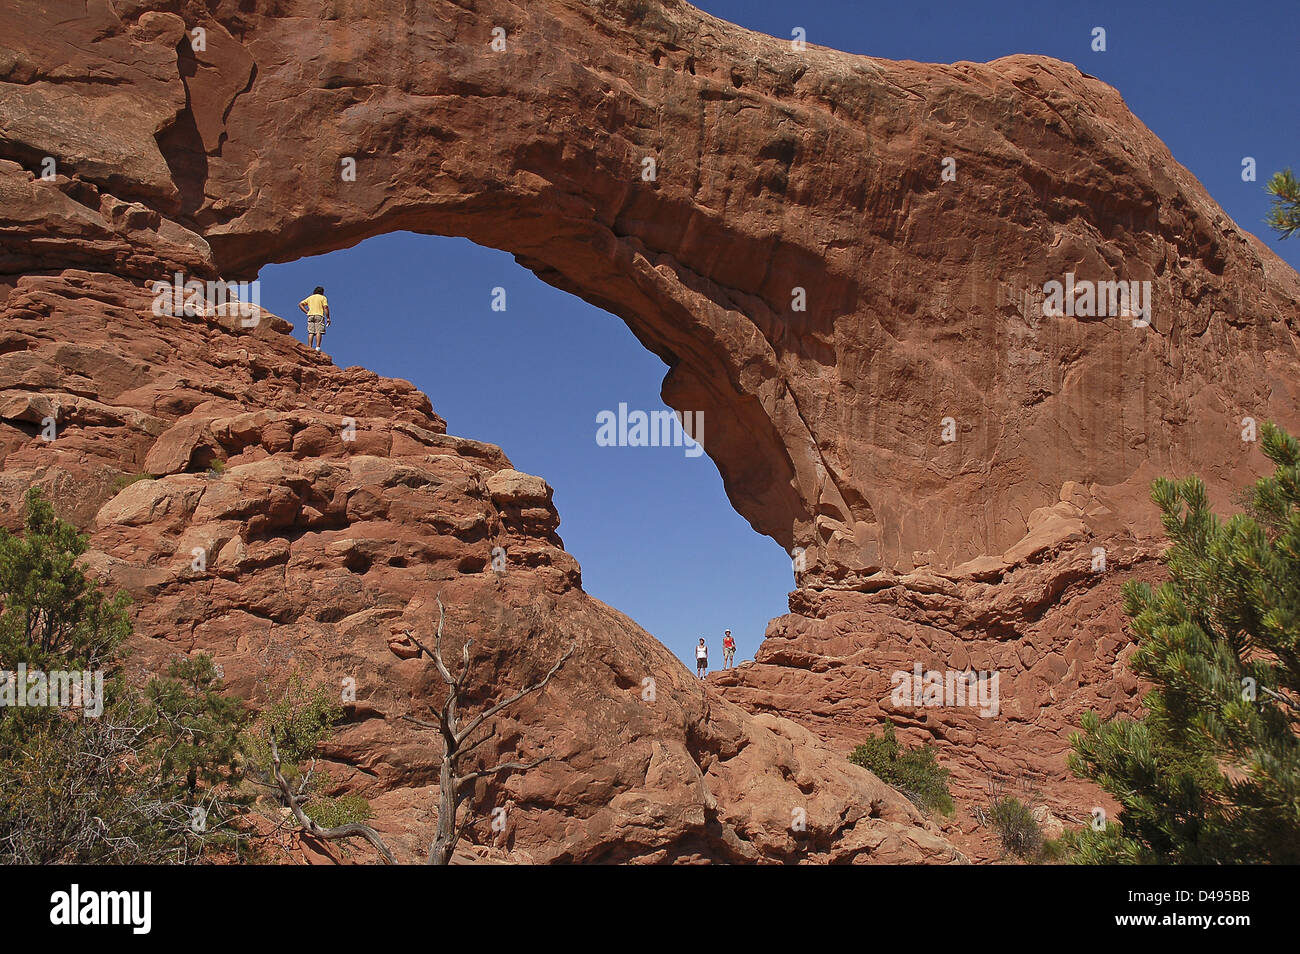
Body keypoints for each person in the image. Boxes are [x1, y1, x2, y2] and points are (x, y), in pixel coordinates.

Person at [298, 286, 330, 351]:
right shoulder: (323, 298)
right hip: (319, 315)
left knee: (311, 332)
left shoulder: (310, 297)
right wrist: (328, 318)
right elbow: (325, 307)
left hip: (310, 315)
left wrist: (307, 312)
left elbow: (300, 304)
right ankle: (317, 347)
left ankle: (309, 347)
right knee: (319, 331)